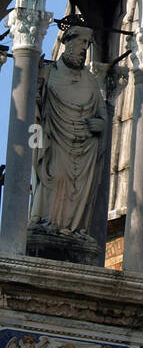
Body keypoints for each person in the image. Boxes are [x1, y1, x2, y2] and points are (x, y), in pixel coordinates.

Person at [29, 21, 107, 236]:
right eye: (82, 43)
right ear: (68, 42)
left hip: (85, 149)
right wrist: (34, 146)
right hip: (54, 140)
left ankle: (75, 230)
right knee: (55, 177)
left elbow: (102, 112)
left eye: (88, 45)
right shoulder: (48, 73)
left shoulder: (90, 80)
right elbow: (32, 112)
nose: (85, 49)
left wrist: (101, 124)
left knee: (83, 188)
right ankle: (44, 223)